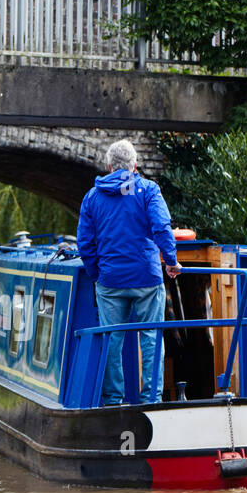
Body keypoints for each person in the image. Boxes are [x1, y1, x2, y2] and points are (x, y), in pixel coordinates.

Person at [76, 139, 180, 405]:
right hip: (147, 276)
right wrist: (171, 261)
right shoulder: (148, 190)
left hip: (110, 280)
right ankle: (151, 400)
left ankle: (113, 400)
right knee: (151, 338)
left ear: (109, 166)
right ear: (135, 165)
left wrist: (96, 273)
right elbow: (161, 229)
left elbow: (85, 243)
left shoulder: (92, 197)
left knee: (112, 340)